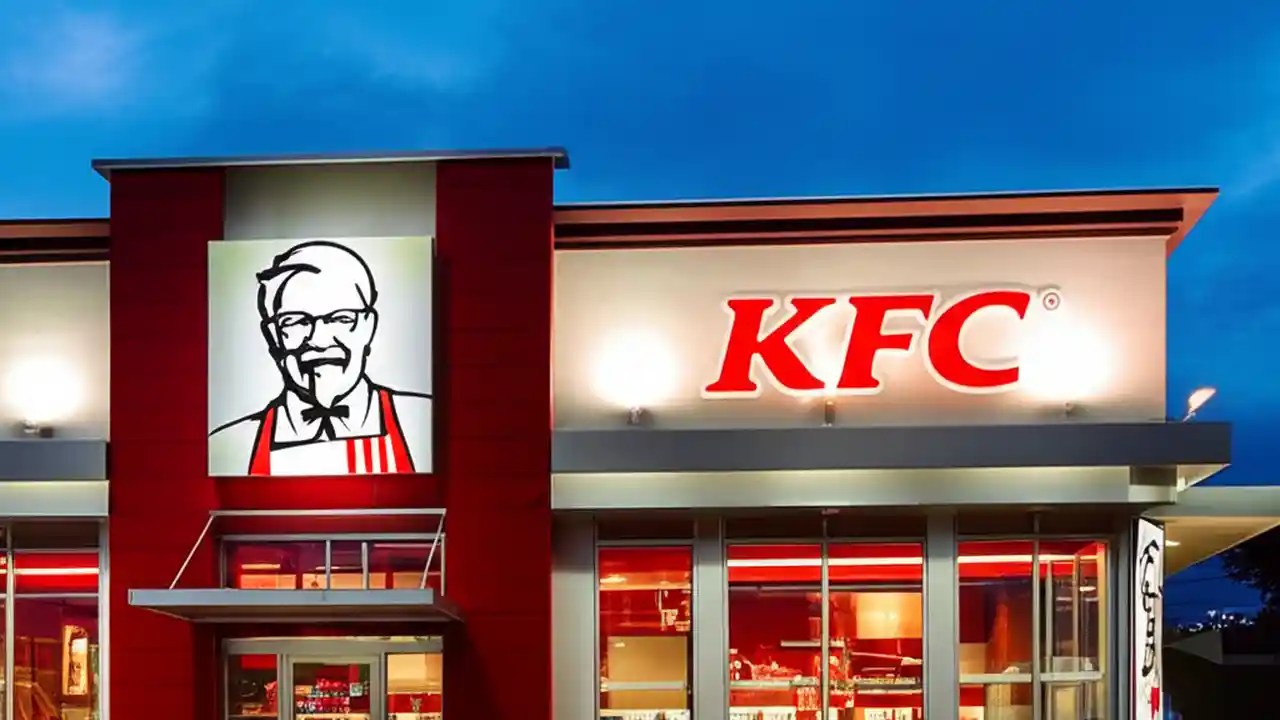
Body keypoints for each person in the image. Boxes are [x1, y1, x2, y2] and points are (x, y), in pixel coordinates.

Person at [210, 240, 431, 475]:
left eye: (341, 318)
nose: (319, 340)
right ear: (273, 337)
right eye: (296, 321)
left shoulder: (420, 422)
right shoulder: (232, 445)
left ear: (369, 327)